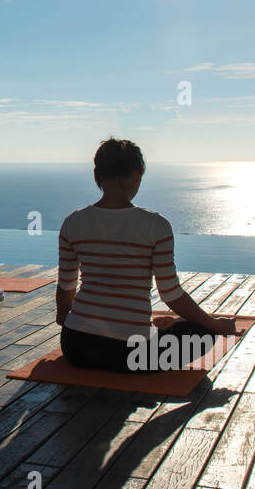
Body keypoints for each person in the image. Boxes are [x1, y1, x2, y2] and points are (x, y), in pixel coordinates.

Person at [56, 138, 239, 373]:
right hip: (134, 355)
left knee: (167, 327)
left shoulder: (73, 223)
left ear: (98, 175)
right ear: (136, 175)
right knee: (201, 333)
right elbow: (171, 295)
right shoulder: (156, 226)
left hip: (77, 347)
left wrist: (66, 321)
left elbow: (65, 288)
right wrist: (214, 324)